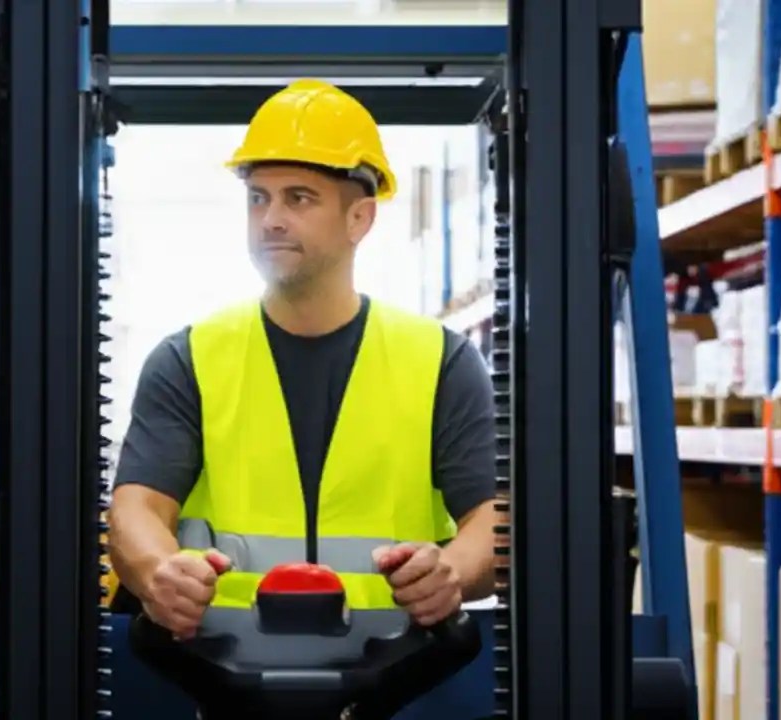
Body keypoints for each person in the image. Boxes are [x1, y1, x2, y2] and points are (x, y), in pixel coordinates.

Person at [107, 78, 498, 642]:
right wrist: (157, 573)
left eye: (299, 197)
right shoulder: (188, 358)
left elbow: (491, 519)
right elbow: (137, 509)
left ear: (360, 219)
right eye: (259, 198)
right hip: (220, 672)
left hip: (399, 673)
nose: (271, 219)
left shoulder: (440, 361)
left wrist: (451, 574)